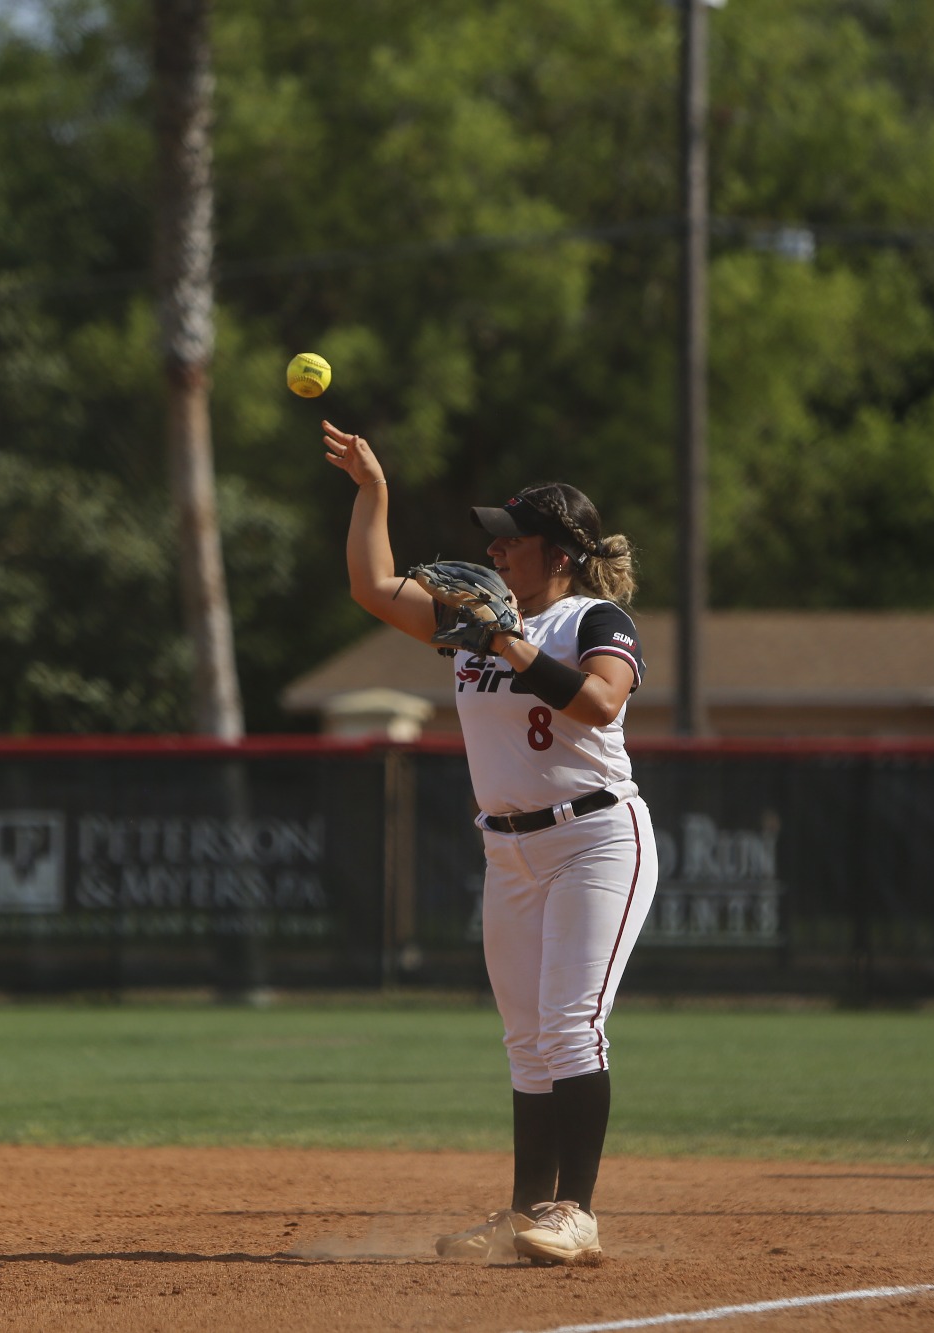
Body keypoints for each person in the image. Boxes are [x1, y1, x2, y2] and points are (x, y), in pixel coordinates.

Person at [322, 418, 658, 1264]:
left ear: (562, 554)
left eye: (514, 539)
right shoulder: (478, 620)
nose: (495, 550)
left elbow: (601, 702)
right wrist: (374, 491)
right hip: (508, 850)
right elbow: (372, 586)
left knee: (571, 1025)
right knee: (526, 1039)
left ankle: (576, 1212)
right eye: (495, 538)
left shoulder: (592, 616)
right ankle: (525, 1212)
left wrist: (504, 638)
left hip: (593, 838)